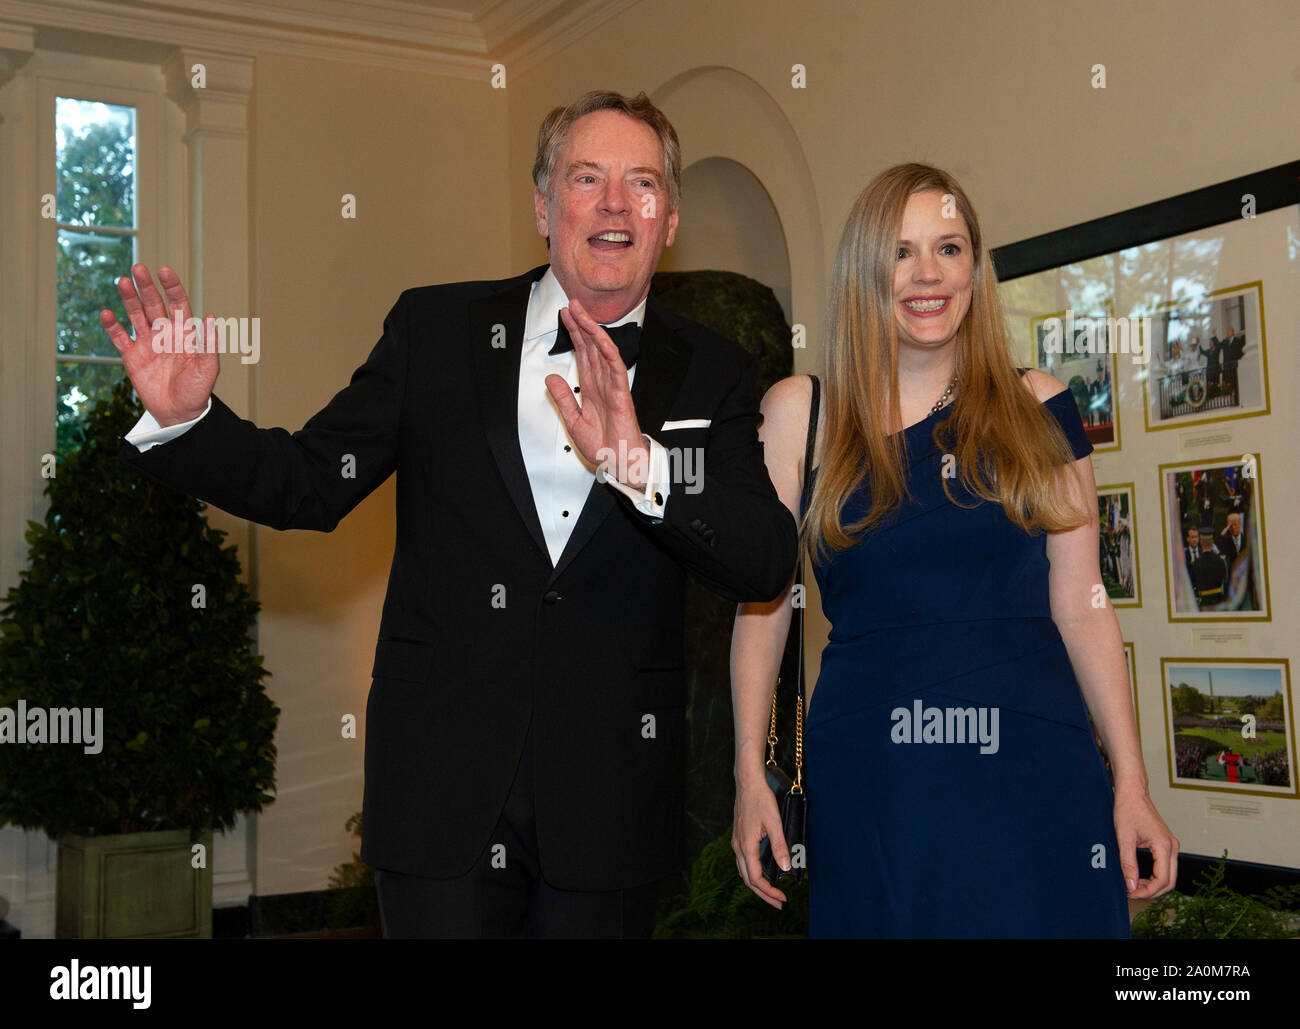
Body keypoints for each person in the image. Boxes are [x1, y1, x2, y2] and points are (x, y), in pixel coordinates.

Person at [101, 89, 797, 939]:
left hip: (612, 803)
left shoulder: (717, 372)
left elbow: (764, 559)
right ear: (543, 206)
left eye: (642, 183)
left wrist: (638, 465)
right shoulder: (437, 331)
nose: (616, 203)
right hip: (439, 793)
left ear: (671, 217)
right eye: (588, 178)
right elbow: (313, 481)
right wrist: (190, 422)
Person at [729, 163, 1177, 938]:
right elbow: (762, 609)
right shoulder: (801, 413)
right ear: (867, 270)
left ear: (976, 265)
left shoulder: (1038, 404)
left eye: (950, 247)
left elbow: (1082, 604)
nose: (928, 274)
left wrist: (1131, 781)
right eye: (901, 252)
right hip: (880, 778)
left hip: (1039, 762)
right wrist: (746, 769)